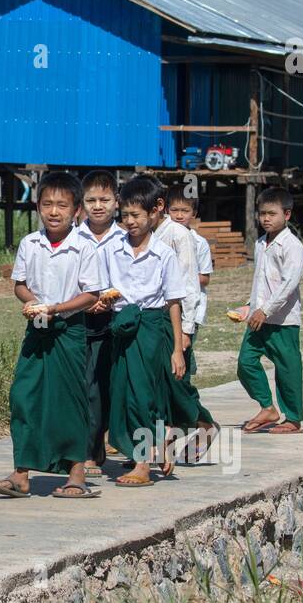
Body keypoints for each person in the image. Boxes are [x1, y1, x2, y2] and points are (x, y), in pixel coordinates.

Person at [0, 172, 105, 499]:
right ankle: (21, 473)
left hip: (69, 330)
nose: (54, 212)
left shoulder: (84, 246)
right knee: (24, 396)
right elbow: (20, 285)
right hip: (36, 330)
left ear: (76, 210)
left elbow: (91, 295)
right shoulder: (30, 243)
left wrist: (55, 309)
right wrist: (34, 303)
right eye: (47, 204)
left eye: (62, 205)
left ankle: (77, 473)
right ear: (38, 206)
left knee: (69, 400)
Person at [102, 176, 187, 487]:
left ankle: (142, 464)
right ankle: (162, 437)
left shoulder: (164, 254)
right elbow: (104, 289)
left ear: (154, 213)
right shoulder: (113, 250)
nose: (130, 222)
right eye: (124, 215)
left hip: (151, 328)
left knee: (142, 394)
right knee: (122, 393)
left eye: (136, 215)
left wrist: (177, 349)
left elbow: (174, 303)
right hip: (121, 326)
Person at [235, 187, 303, 434]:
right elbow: (261, 281)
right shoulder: (259, 244)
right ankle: (267, 407)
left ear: (286, 215)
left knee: (287, 369)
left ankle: (294, 419)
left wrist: (265, 310)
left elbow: (289, 283)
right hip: (258, 318)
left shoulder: (292, 246)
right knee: (245, 362)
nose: (266, 218)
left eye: (272, 214)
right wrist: (250, 305)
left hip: (283, 320)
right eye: (262, 213)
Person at [74, 171, 125, 474]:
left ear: (116, 202)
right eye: (91, 200)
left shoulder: (124, 237)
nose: (97, 206)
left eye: (104, 200)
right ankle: (83, 448)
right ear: (81, 204)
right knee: (82, 386)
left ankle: (98, 446)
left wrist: (106, 300)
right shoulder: (74, 236)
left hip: (112, 319)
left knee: (103, 386)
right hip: (78, 318)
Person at [166, 187, 218, 453]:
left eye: (184, 211)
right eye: (174, 210)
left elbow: (204, 277)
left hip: (189, 313)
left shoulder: (197, 242)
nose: (178, 215)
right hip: (165, 312)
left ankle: (201, 423)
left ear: (194, 214)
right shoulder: (161, 236)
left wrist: (176, 276)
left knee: (179, 375)